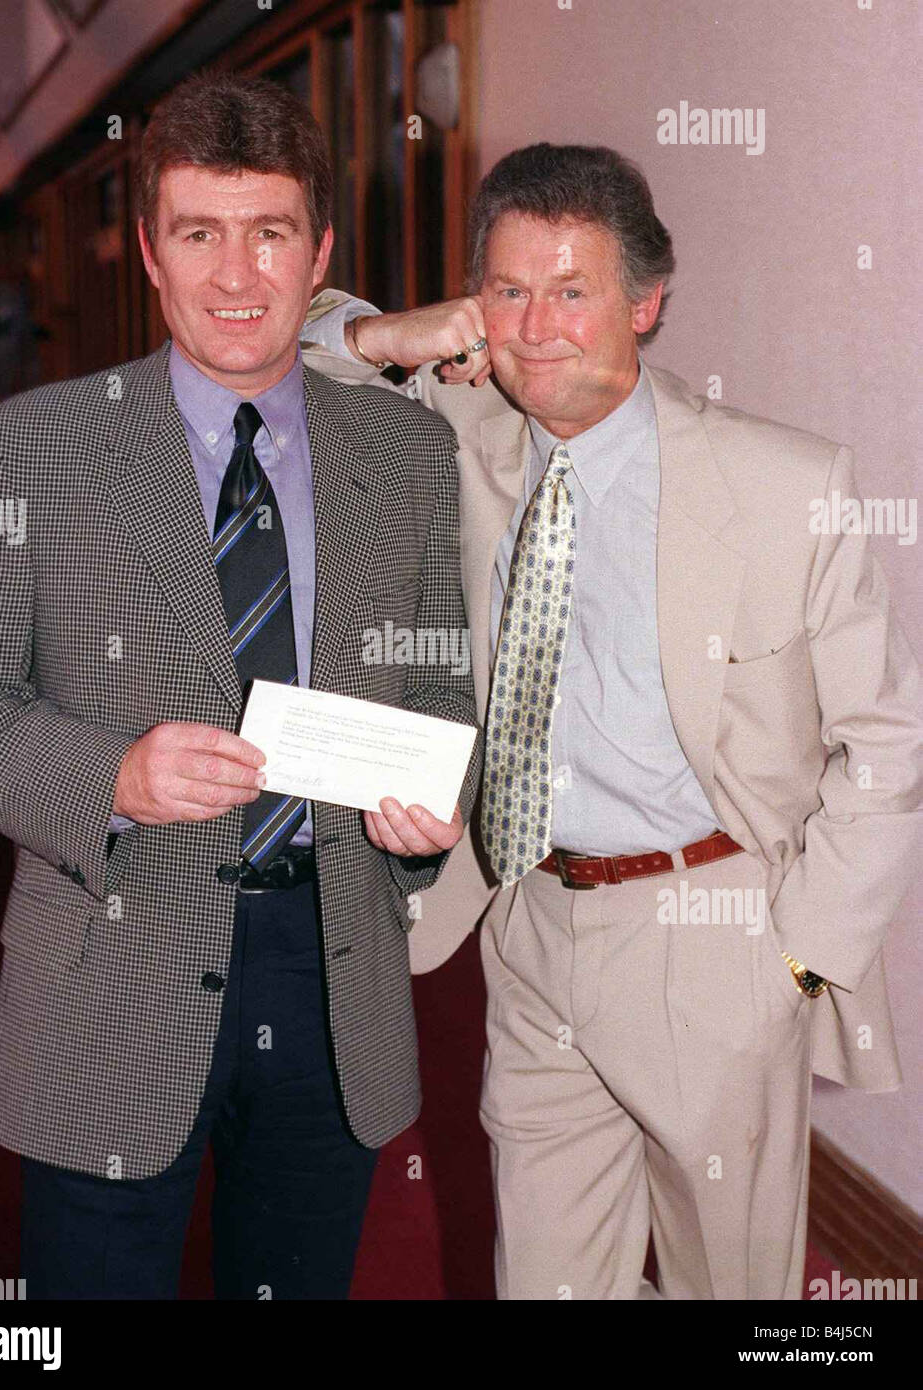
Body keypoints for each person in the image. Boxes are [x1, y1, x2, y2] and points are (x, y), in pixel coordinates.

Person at [301, 142, 922, 1299]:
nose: (535, 329)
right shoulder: (469, 424)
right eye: (507, 289)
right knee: (544, 1280)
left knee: (725, 1288)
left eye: (571, 291)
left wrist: (796, 957)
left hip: (715, 933)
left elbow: (886, 744)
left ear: (646, 301)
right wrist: (406, 333)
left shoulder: (784, 484)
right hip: (529, 922)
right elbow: (288, 340)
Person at [0, 72, 479, 1300]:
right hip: (110, 966)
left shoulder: (409, 452)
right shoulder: (30, 449)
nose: (237, 276)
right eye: (199, 234)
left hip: (332, 973)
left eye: (270, 233)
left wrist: (431, 822)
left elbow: (440, 692)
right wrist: (110, 775)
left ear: (318, 249)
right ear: (153, 258)